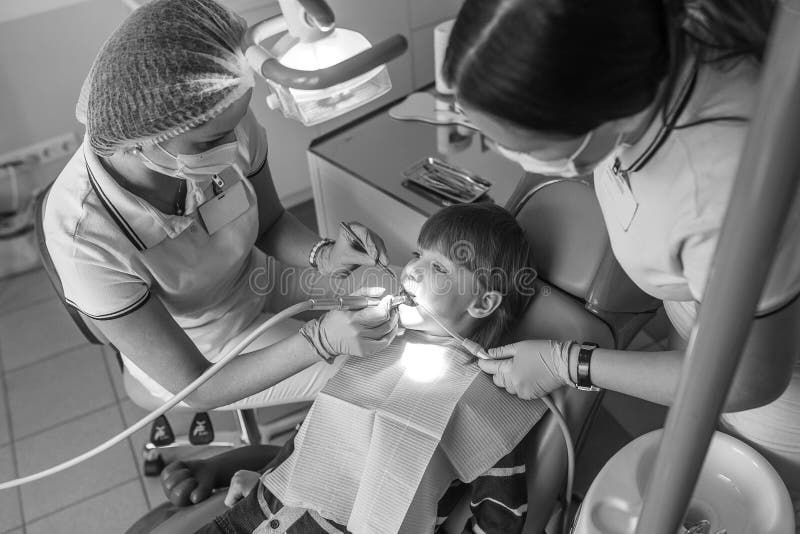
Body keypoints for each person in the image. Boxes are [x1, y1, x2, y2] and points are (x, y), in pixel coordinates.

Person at [442, 0, 800, 527]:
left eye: (516, 141)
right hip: (704, 317)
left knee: (746, 499)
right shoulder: (639, 48)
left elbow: (746, 379)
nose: (497, 152)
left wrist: (569, 363)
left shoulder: (721, 185)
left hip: (777, 386)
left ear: (599, 114)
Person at [42, 0, 399, 411]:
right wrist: (318, 341)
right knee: (376, 378)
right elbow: (196, 387)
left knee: (398, 299)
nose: (231, 150)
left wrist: (324, 256)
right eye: (209, 143)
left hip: (259, 280)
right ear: (143, 135)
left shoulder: (222, 120)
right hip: (209, 355)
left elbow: (270, 223)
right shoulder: (83, 236)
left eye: (233, 127)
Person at [162, 203, 545, 534]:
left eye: (439, 268)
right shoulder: (378, 348)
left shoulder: (485, 400)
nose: (411, 270)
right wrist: (262, 473)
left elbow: (501, 516)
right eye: (418, 253)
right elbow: (316, 439)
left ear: (482, 303)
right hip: (256, 513)